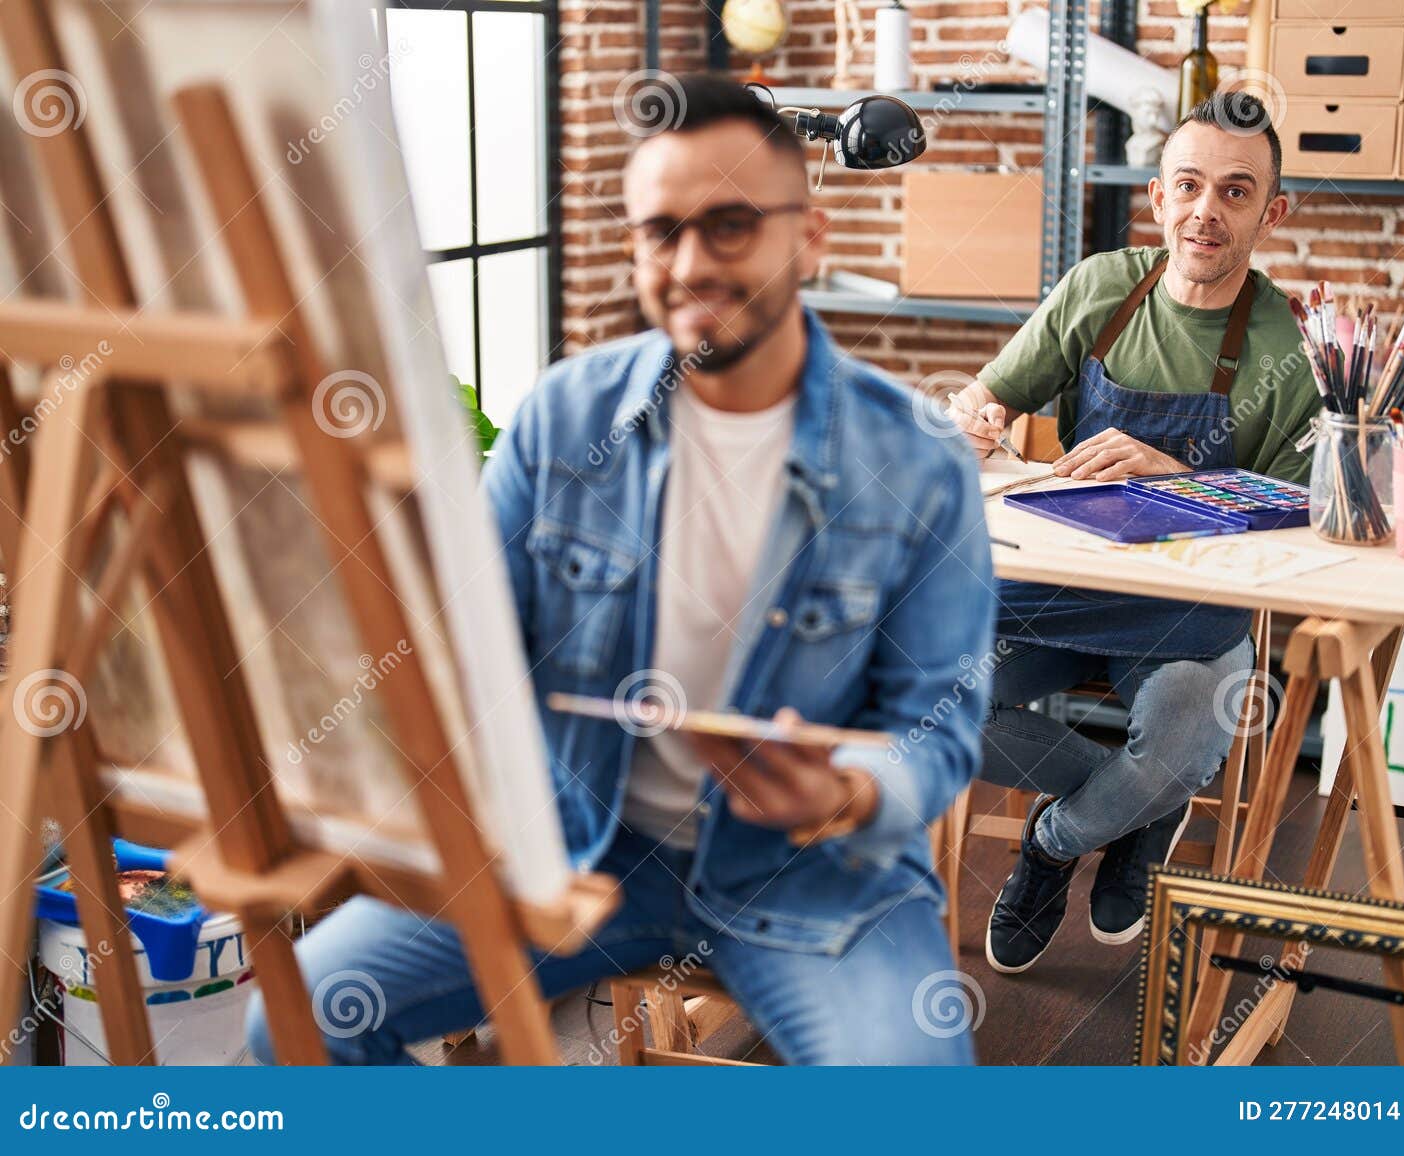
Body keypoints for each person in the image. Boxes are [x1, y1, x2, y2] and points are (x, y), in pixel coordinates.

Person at [245, 74, 994, 1065]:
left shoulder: (914, 458)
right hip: (576, 846)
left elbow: (939, 728)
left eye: (729, 226)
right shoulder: (562, 420)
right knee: (296, 1018)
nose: (689, 264)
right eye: (660, 231)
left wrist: (845, 793)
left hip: (813, 875)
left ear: (809, 237)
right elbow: (476, 648)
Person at [947, 91, 1322, 973]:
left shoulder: (1288, 345)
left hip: (1192, 610)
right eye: (1188, 185)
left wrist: (1182, 475)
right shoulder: (1101, 289)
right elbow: (992, 394)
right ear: (1157, 197)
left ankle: (1053, 842)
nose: (1205, 211)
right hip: (1066, 585)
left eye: (1235, 193)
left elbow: (1306, 518)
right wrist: (971, 415)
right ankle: (1137, 809)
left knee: (1193, 731)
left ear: (1271, 213)